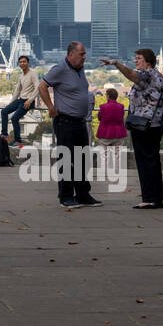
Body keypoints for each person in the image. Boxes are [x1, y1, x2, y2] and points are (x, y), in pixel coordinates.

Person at [101, 48, 163, 209]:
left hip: (144, 125)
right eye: (135, 58)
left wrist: (116, 64)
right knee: (152, 161)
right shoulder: (158, 75)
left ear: (148, 61)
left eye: (139, 58)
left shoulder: (147, 74)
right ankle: (157, 198)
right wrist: (154, 102)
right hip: (156, 123)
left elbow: (132, 75)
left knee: (144, 161)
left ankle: (150, 199)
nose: (136, 61)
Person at [40, 41, 104, 208]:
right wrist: (50, 107)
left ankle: (83, 194)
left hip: (80, 122)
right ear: (71, 54)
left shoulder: (80, 69)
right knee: (67, 159)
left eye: (84, 54)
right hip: (65, 121)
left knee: (83, 159)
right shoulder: (60, 69)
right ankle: (66, 196)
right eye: (81, 54)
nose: (84, 57)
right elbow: (42, 86)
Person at [0, 55, 38, 146]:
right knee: (4, 111)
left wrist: (30, 100)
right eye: (20, 62)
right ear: (19, 64)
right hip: (21, 100)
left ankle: (18, 141)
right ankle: (4, 134)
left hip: (28, 101)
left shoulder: (32, 73)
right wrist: (11, 103)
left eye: (24, 61)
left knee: (14, 119)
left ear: (28, 63)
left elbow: (38, 87)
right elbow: (17, 90)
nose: (22, 63)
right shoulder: (21, 76)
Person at [96, 87, 127, 173]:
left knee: (103, 154)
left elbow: (99, 117)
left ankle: (104, 172)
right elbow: (121, 117)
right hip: (118, 133)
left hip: (105, 133)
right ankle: (116, 171)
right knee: (117, 155)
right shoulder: (121, 106)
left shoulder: (103, 107)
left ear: (108, 96)